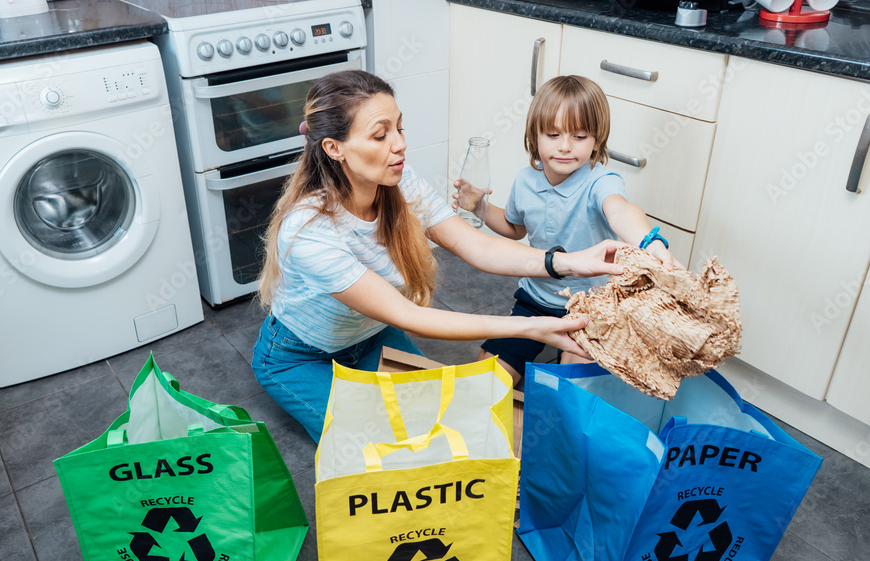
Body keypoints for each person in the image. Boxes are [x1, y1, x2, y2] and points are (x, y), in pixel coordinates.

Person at [251, 70, 626, 442]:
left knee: (447, 428)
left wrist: (566, 262)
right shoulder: (309, 231)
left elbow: (475, 246)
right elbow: (410, 316)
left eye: (400, 128)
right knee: (373, 450)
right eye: (381, 135)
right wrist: (531, 327)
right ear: (335, 148)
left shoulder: (400, 181)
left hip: (371, 336)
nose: (399, 144)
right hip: (299, 356)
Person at [453, 75, 681, 386]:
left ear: (596, 141)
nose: (564, 146)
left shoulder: (601, 182)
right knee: (484, 379)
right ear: (535, 136)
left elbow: (620, 210)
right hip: (534, 300)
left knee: (570, 386)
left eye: (579, 136)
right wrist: (478, 207)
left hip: (590, 304)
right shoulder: (525, 181)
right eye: (553, 134)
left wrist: (650, 242)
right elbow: (514, 228)